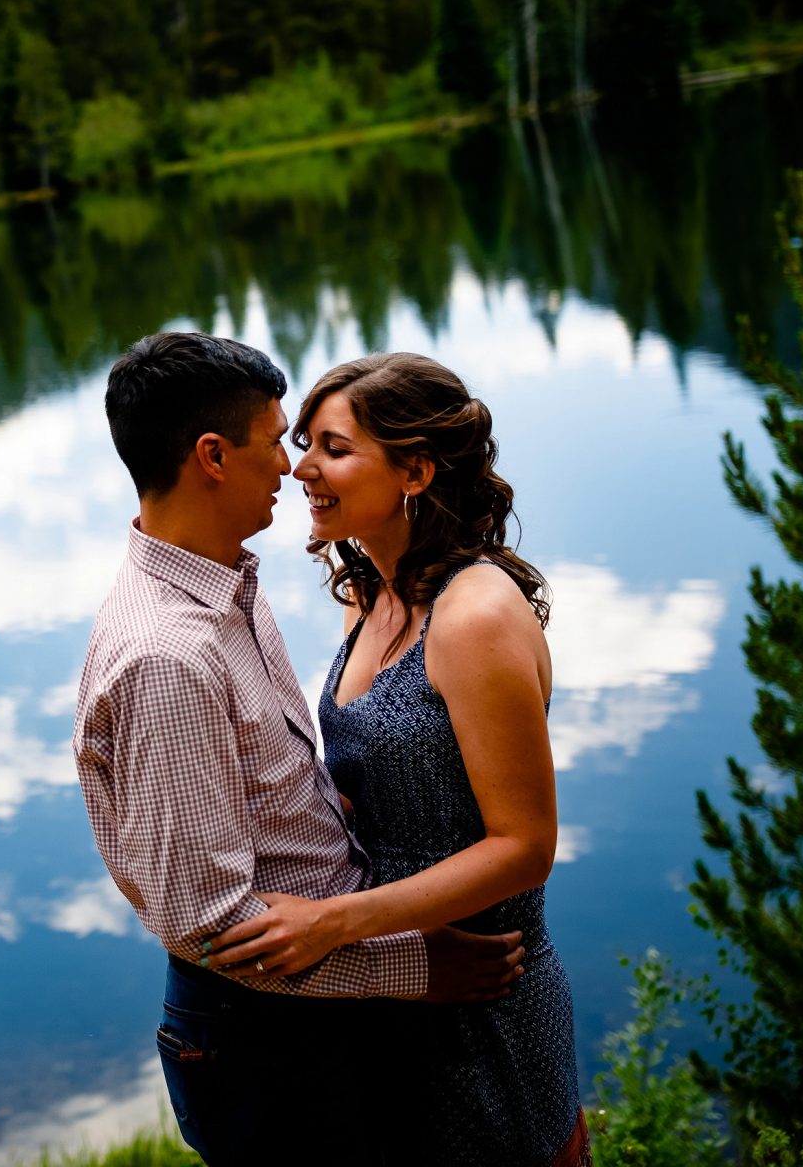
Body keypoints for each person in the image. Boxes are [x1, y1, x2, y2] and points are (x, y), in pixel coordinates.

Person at [74, 331, 526, 1166]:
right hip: (268, 1040)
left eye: (320, 445)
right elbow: (217, 929)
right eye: (277, 442)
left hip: (319, 1012)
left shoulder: (227, 589)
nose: (291, 468)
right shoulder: (170, 656)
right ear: (213, 456)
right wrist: (418, 966)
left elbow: (266, 787)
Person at [207, 351, 582, 1166]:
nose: (299, 468)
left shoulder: (474, 616)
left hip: (487, 992)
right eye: (304, 444)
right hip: (397, 979)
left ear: (414, 469)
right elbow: (368, 788)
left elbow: (525, 848)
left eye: (333, 449)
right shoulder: (366, 595)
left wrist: (332, 923)